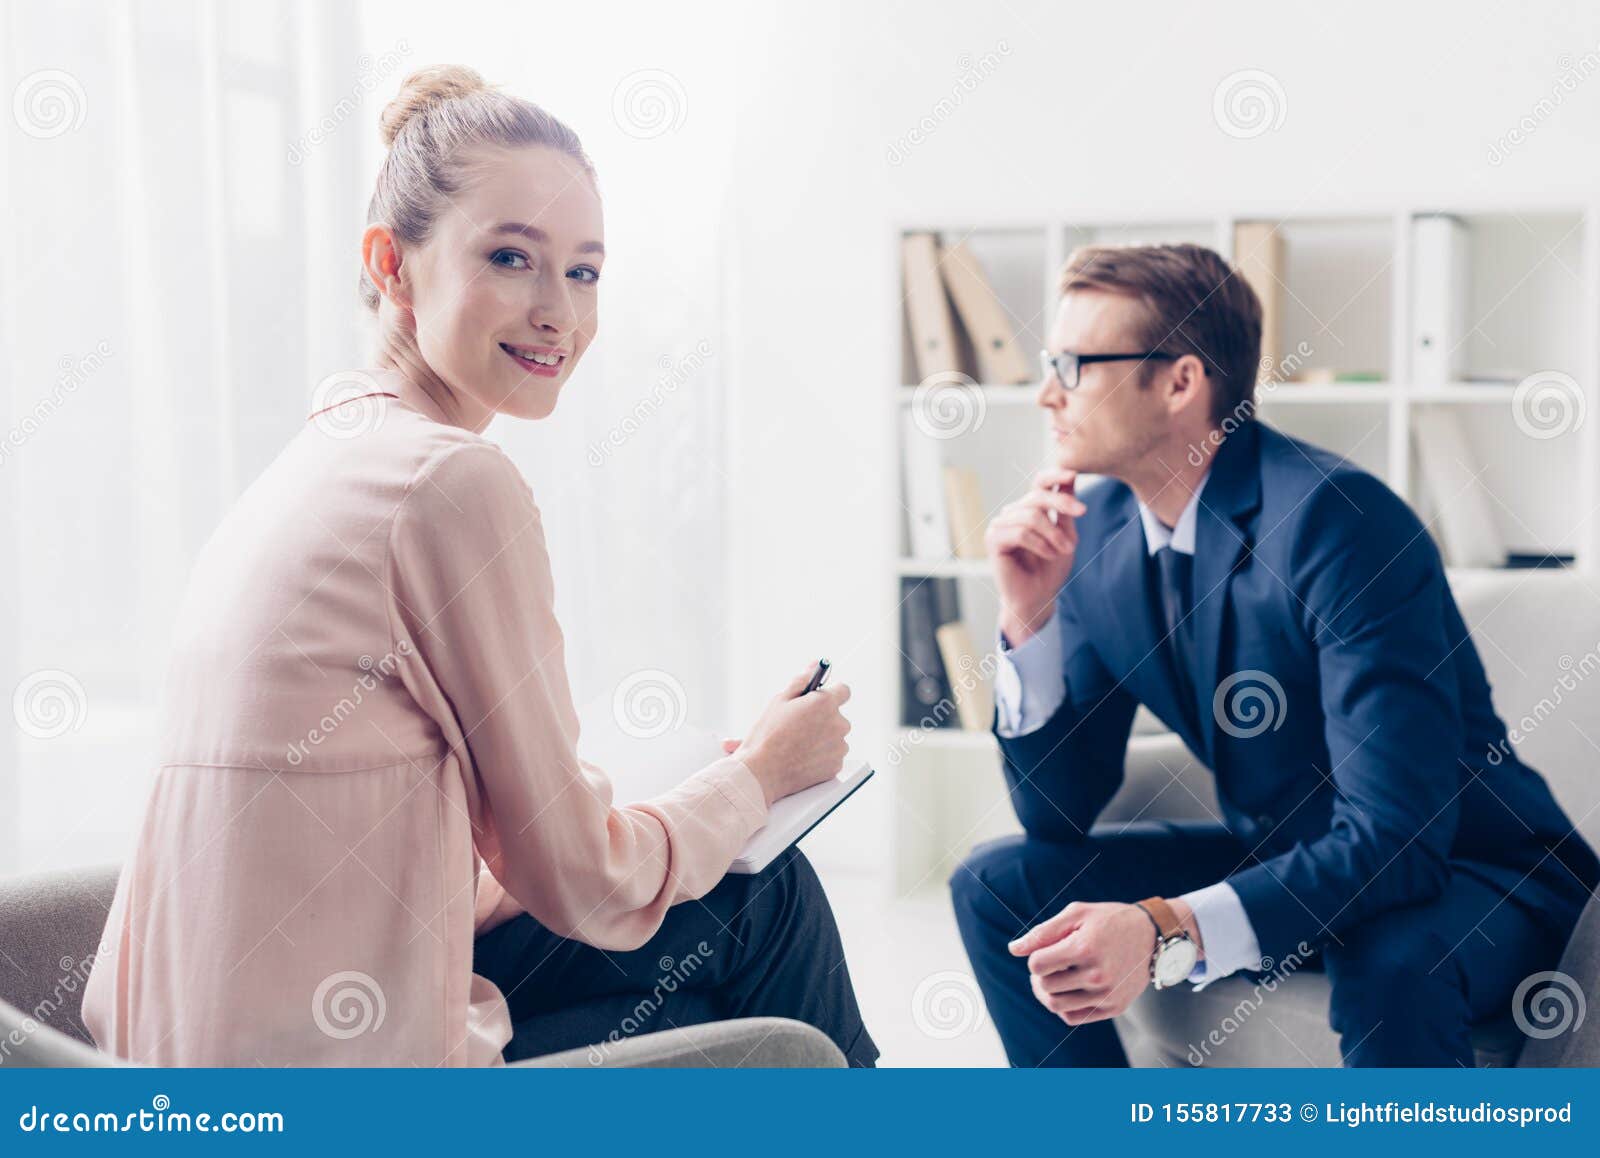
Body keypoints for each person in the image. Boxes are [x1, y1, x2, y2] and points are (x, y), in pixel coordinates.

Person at [83, 65, 876, 1068]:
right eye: (512, 257)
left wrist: (691, 801)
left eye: (584, 271)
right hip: (333, 1075)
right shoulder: (446, 484)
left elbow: (394, 848)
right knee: (765, 909)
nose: (559, 312)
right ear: (392, 265)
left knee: (734, 890)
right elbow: (583, 881)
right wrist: (759, 779)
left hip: (196, 1052)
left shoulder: (324, 457)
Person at [950, 241, 1599, 1067]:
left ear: (1181, 382)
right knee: (999, 885)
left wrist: (1165, 929)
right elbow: (1057, 812)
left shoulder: (1337, 521)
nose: (1046, 394)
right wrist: (1028, 618)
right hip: (1291, 854)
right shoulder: (1100, 531)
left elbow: (1398, 837)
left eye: (1074, 365)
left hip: (1468, 869)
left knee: (1392, 960)